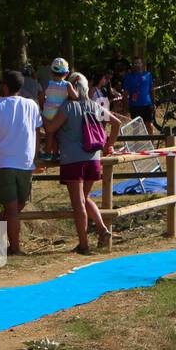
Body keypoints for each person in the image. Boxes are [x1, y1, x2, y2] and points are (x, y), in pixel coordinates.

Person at [45, 73, 124, 254]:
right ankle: (102, 228)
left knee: (78, 203)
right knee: (85, 198)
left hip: (73, 160)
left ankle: (84, 245)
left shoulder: (68, 107)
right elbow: (116, 123)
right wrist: (108, 145)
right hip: (93, 159)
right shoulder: (94, 105)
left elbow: (50, 128)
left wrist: (45, 110)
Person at [0, 70, 43, 256]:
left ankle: (13, 246)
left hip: (2, 162)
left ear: (4, 86)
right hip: (25, 161)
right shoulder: (32, 105)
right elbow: (38, 132)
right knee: (16, 206)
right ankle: (11, 243)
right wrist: (35, 155)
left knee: (12, 208)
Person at [123, 57, 155, 134]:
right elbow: (125, 92)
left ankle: (151, 143)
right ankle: (136, 144)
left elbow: (152, 90)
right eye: (135, 63)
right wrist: (125, 105)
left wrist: (153, 102)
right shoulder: (128, 77)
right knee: (135, 126)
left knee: (149, 124)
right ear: (132, 65)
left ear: (142, 64)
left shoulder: (148, 75)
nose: (137, 65)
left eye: (139, 63)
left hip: (147, 104)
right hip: (134, 105)